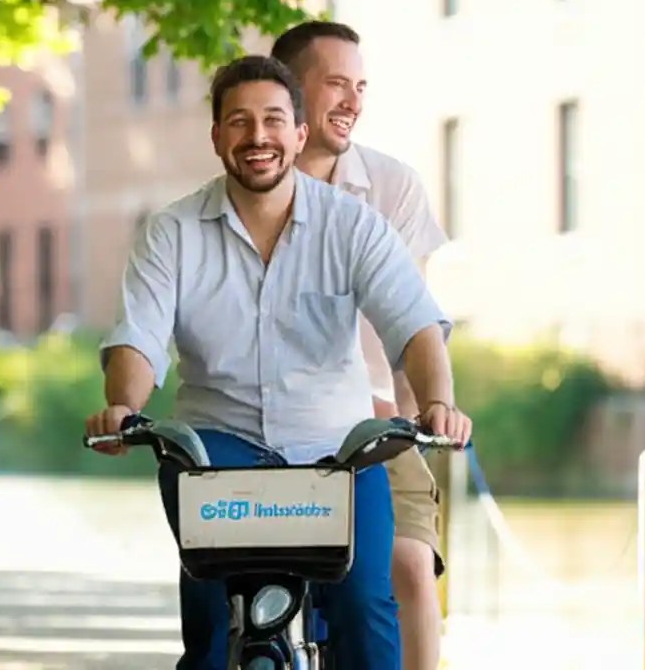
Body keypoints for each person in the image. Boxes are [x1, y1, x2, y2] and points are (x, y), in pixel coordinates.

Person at [84, 54, 472, 670]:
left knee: (367, 614)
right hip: (217, 452)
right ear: (216, 137)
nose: (256, 136)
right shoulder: (173, 232)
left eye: (272, 120)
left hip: (337, 454)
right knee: (211, 627)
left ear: (298, 134)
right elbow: (141, 336)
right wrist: (122, 409)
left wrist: (438, 405)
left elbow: (414, 323)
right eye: (238, 122)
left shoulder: (352, 226)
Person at [270, 20, 458, 670]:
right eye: (336, 85)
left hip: (372, 420)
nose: (353, 101)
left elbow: (415, 324)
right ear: (291, 92)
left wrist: (418, 418)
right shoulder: (254, 186)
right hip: (266, 422)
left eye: (361, 87)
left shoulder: (391, 188)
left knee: (407, 563)